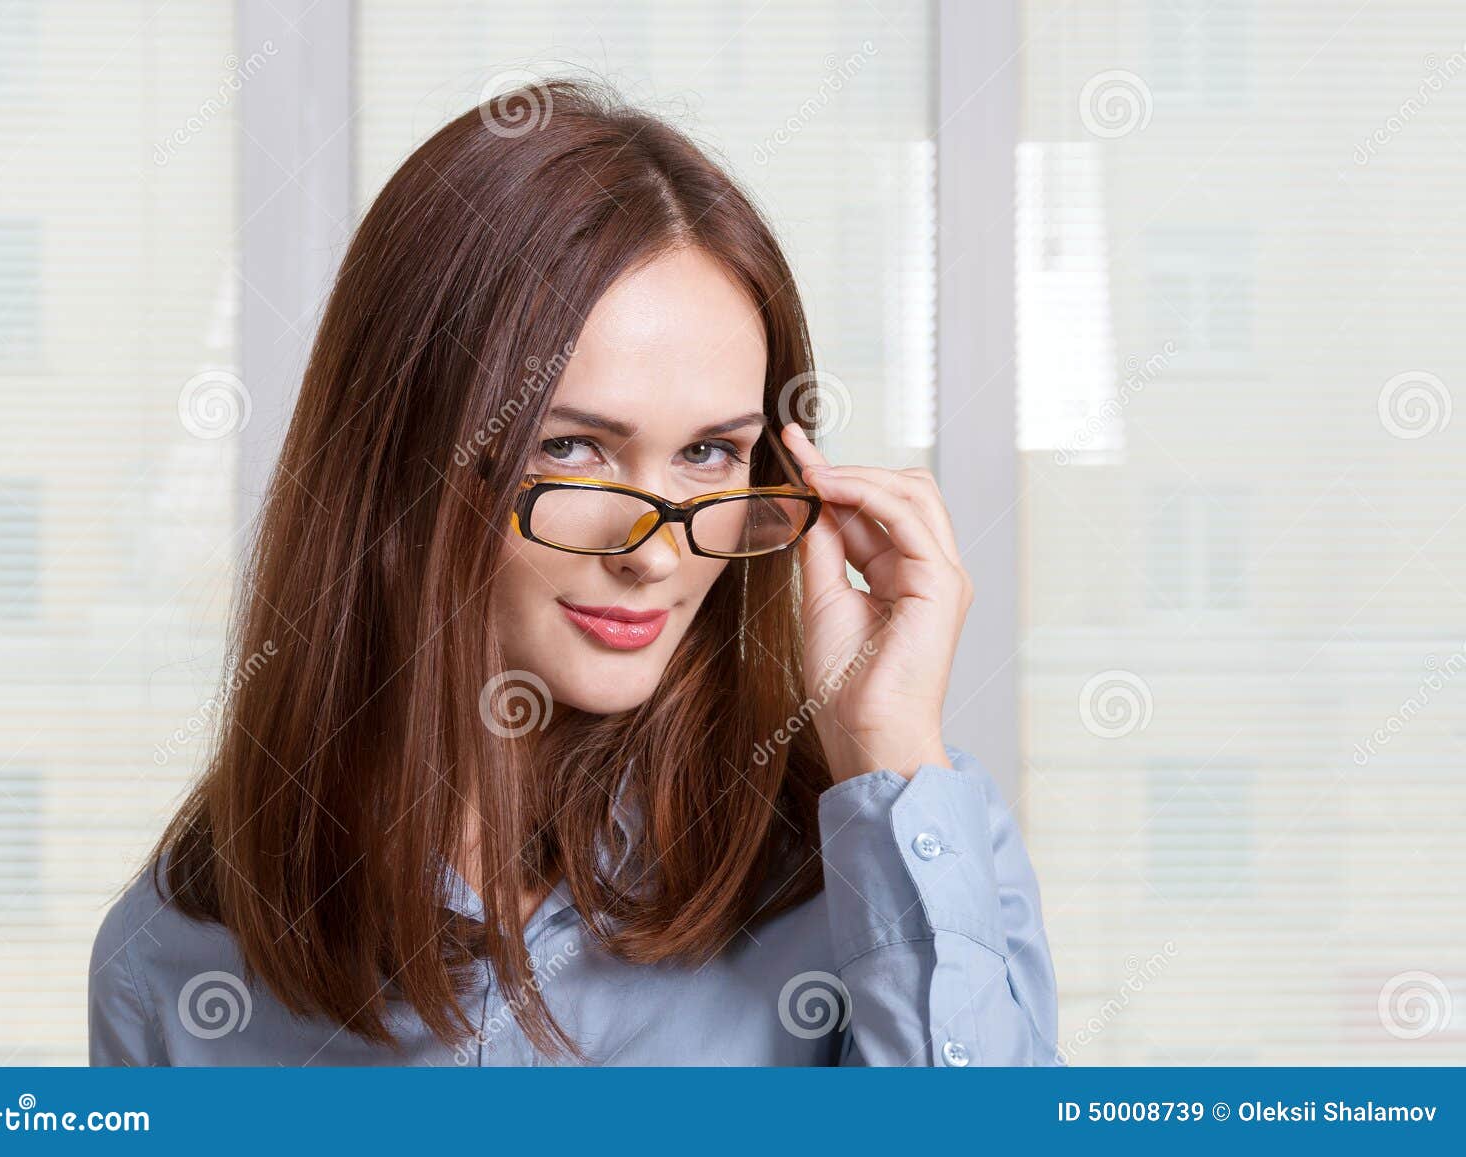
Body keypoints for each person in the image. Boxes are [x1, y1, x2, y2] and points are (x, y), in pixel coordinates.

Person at [88, 77, 1061, 1067]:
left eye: (707, 453)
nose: (652, 551)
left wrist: (884, 738)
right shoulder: (176, 958)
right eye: (573, 447)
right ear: (400, 461)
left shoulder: (915, 857)